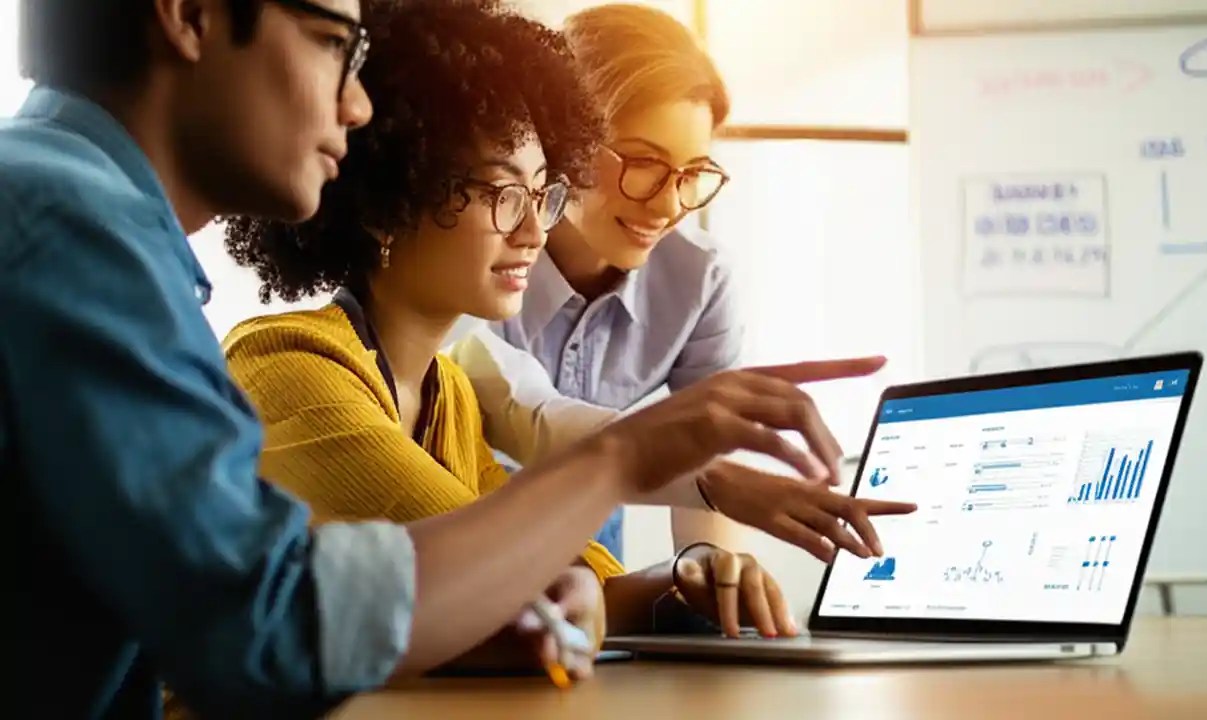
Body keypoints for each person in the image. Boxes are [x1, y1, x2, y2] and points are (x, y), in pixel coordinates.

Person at [2, 0, 903, 716]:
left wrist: (670, 583)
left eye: (541, 195)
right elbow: (268, 623)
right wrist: (625, 459)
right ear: (189, 14)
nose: (353, 106)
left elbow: (522, 586)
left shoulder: (87, 220)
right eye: (328, 41)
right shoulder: (72, 231)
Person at [221, 0, 913, 646]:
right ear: (384, 206)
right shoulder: (288, 365)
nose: (531, 230)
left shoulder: (448, 401)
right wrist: (634, 471)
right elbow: (490, 579)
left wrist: (685, 582)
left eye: (541, 193)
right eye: (498, 192)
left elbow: (578, 578)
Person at [449, 3, 821, 562]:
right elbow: (524, 408)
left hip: (598, 565)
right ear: (560, 140)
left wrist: (709, 577)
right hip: (462, 552)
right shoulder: (473, 255)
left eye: (693, 173)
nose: (670, 205)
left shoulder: (699, 281)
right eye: (644, 163)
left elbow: (703, 484)